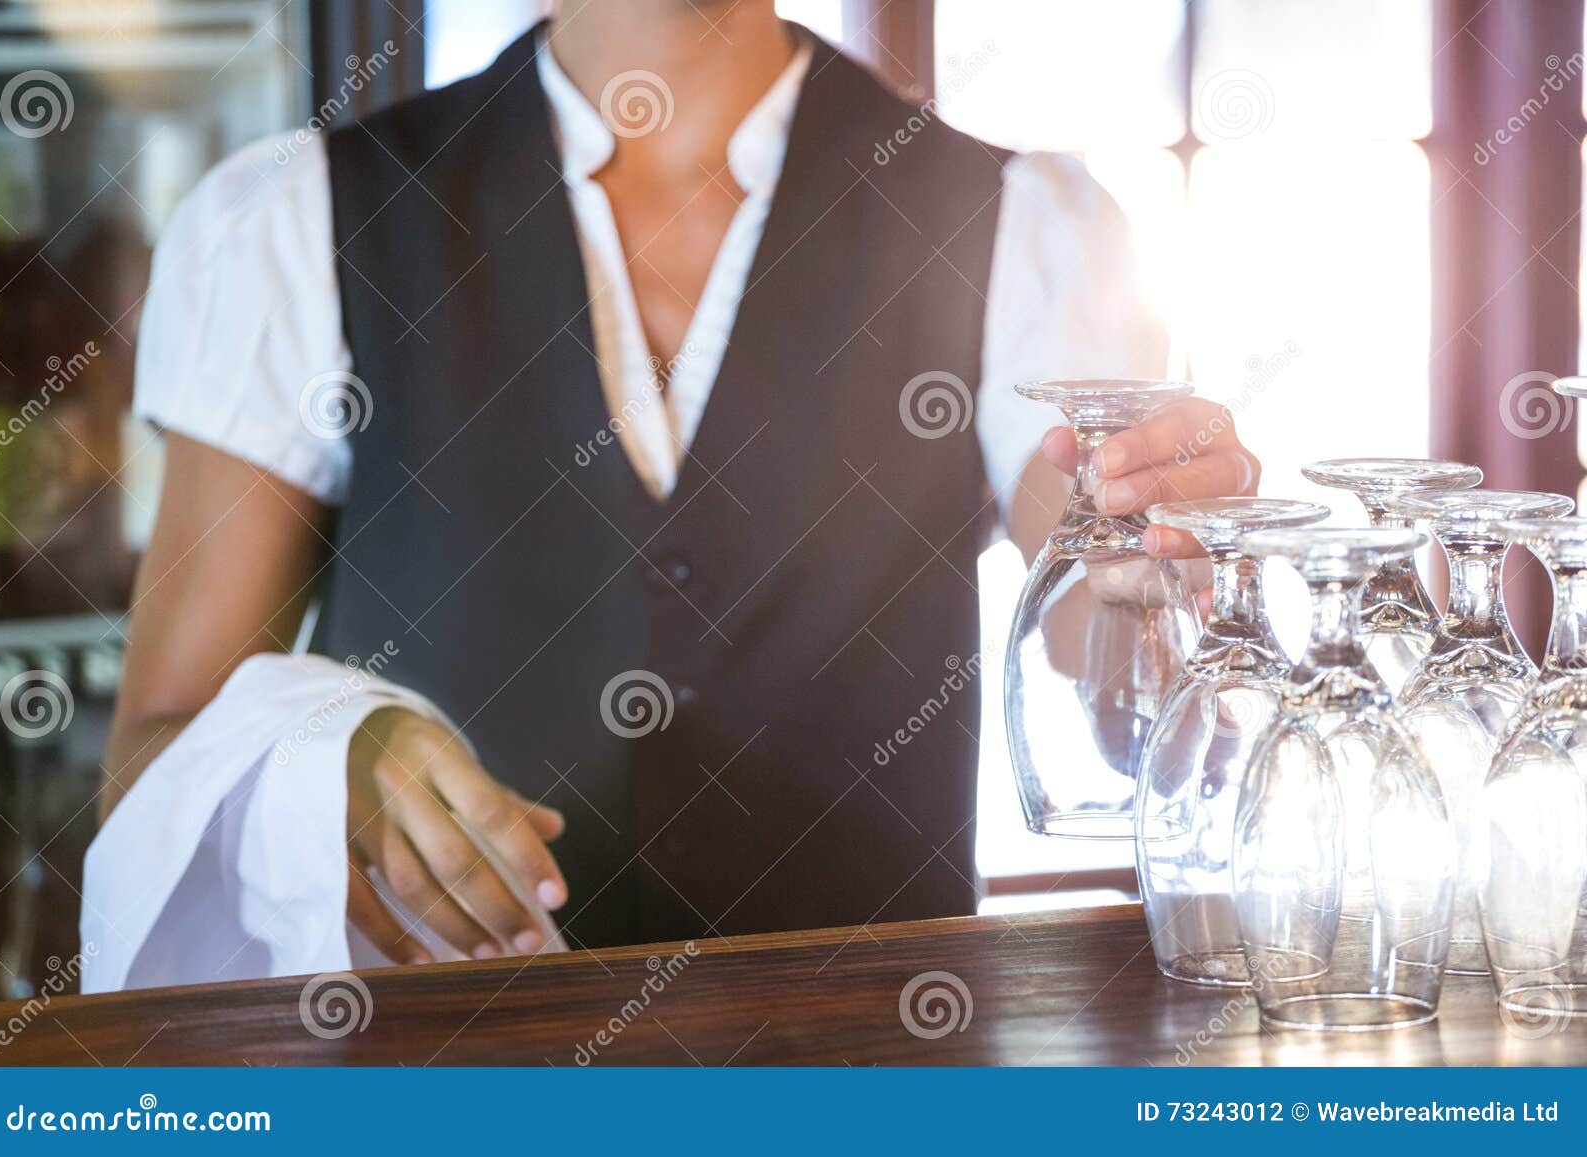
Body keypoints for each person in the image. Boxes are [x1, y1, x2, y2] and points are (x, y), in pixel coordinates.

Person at [105, 0, 1259, 964]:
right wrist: (324, 762)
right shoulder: (298, 219)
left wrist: (1150, 576)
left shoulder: (1018, 221)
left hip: (881, 1075)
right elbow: (153, 763)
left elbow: (1115, 666)